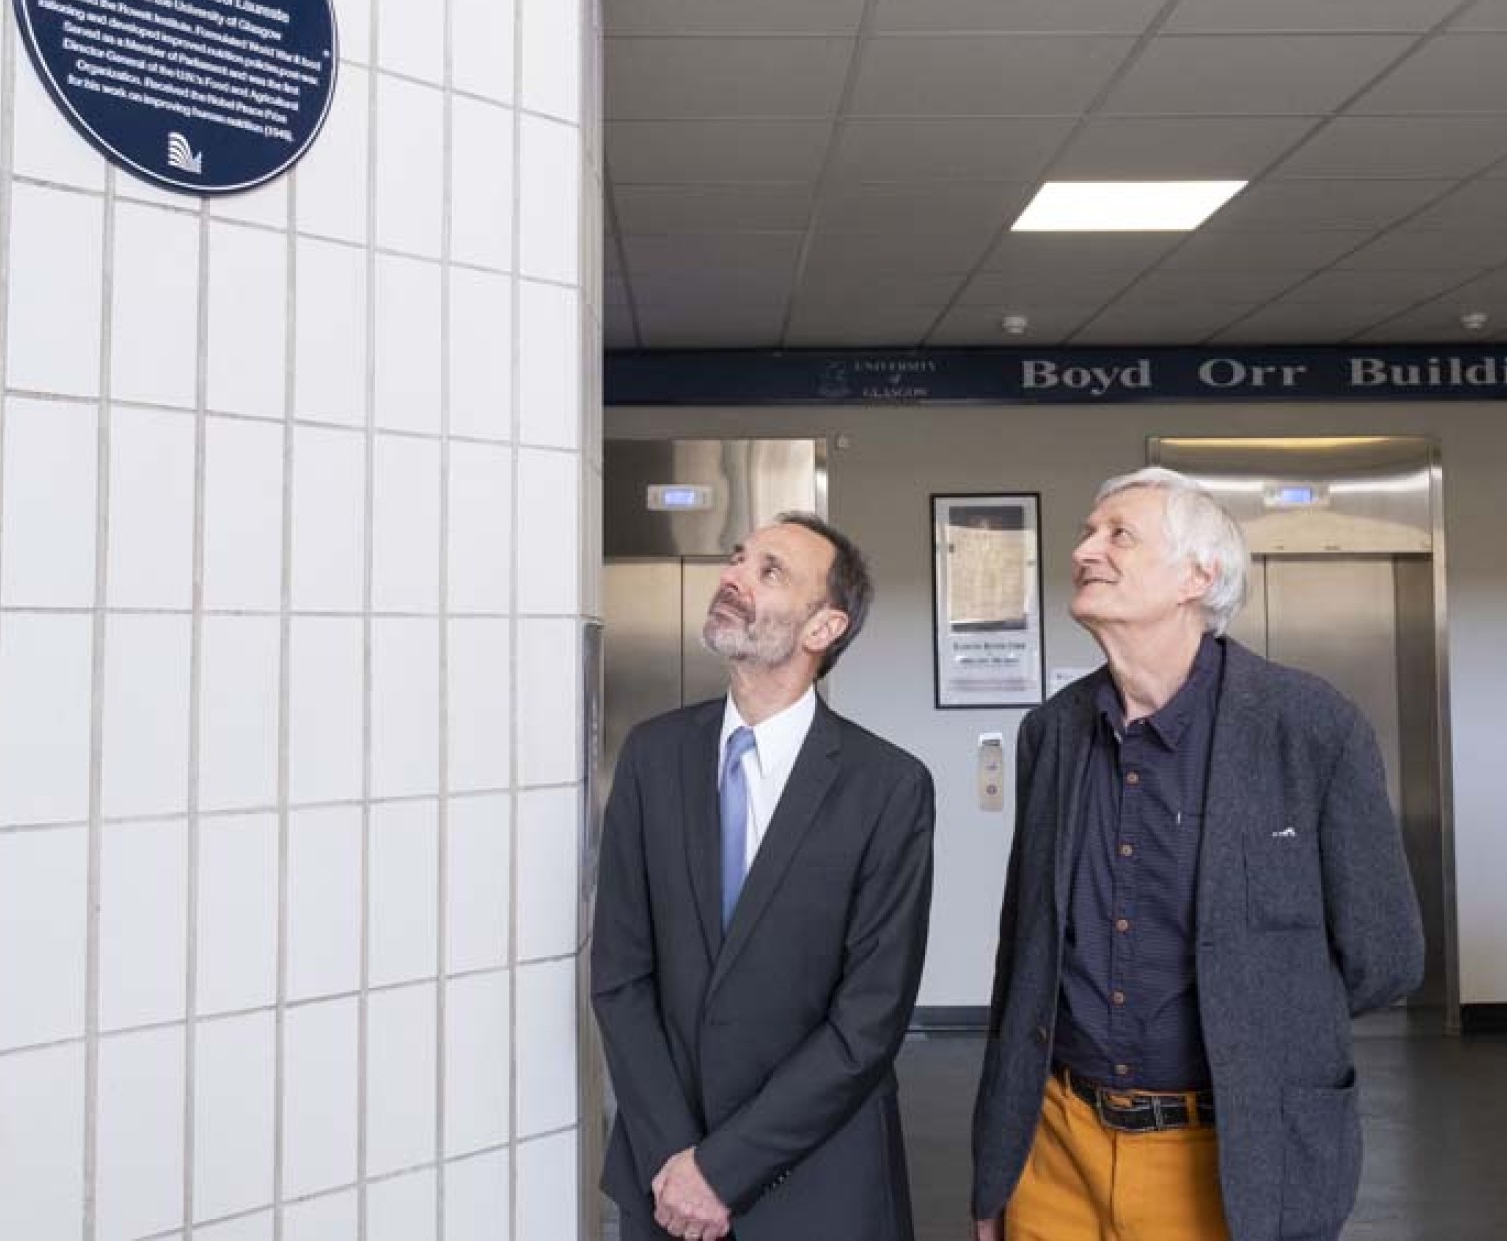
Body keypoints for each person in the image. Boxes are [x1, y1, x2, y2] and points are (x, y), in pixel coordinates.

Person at [970, 468, 1423, 1241]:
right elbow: (1024, 958)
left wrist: (1248, 1012)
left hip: (1229, 1161)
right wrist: (993, 1170)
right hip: (1055, 1151)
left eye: (1119, 534)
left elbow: (1386, 957)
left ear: (1197, 576)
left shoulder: (1311, 727)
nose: (1085, 550)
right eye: (1088, 532)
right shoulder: (1052, 732)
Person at [593, 512, 936, 1241]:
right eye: (737, 558)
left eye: (769, 570)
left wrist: (723, 1169)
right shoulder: (652, 758)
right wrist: (679, 1164)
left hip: (821, 1188)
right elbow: (621, 977)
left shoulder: (888, 787)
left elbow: (868, 1020)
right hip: (664, 1182)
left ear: (824, 627)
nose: (733, 577)